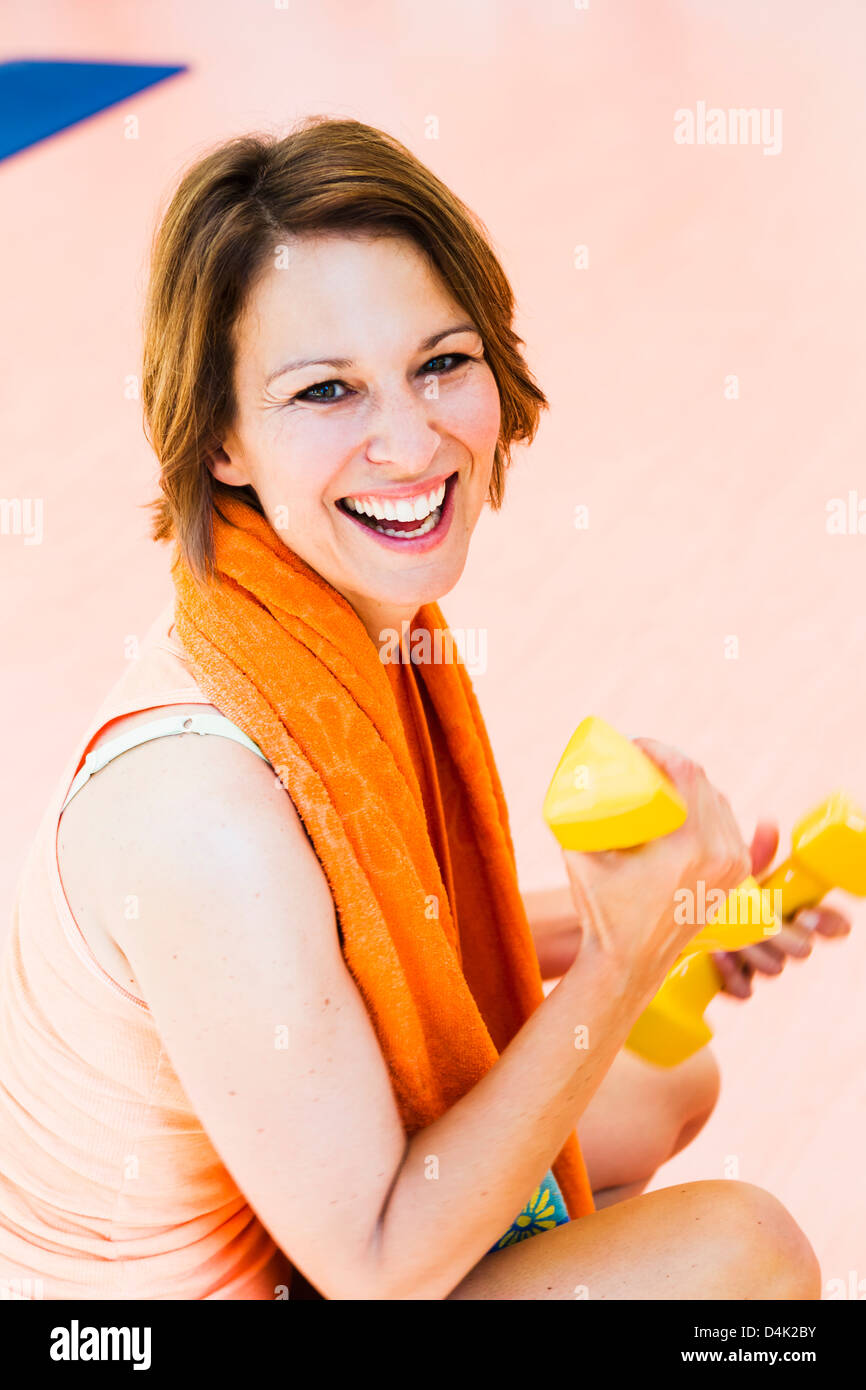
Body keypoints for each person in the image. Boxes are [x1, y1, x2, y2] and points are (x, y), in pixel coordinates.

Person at [0, 116, 839, 1301]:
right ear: (221, 439)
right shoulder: (199, 814)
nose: (409, 439)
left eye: (440, 363)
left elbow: (363, 936)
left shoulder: (317, 625)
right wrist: (617, 955)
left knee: (663, 1078)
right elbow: (376, 1264)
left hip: (296, 1218)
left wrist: (676, 915)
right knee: (740, 1261)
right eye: (326, 390)